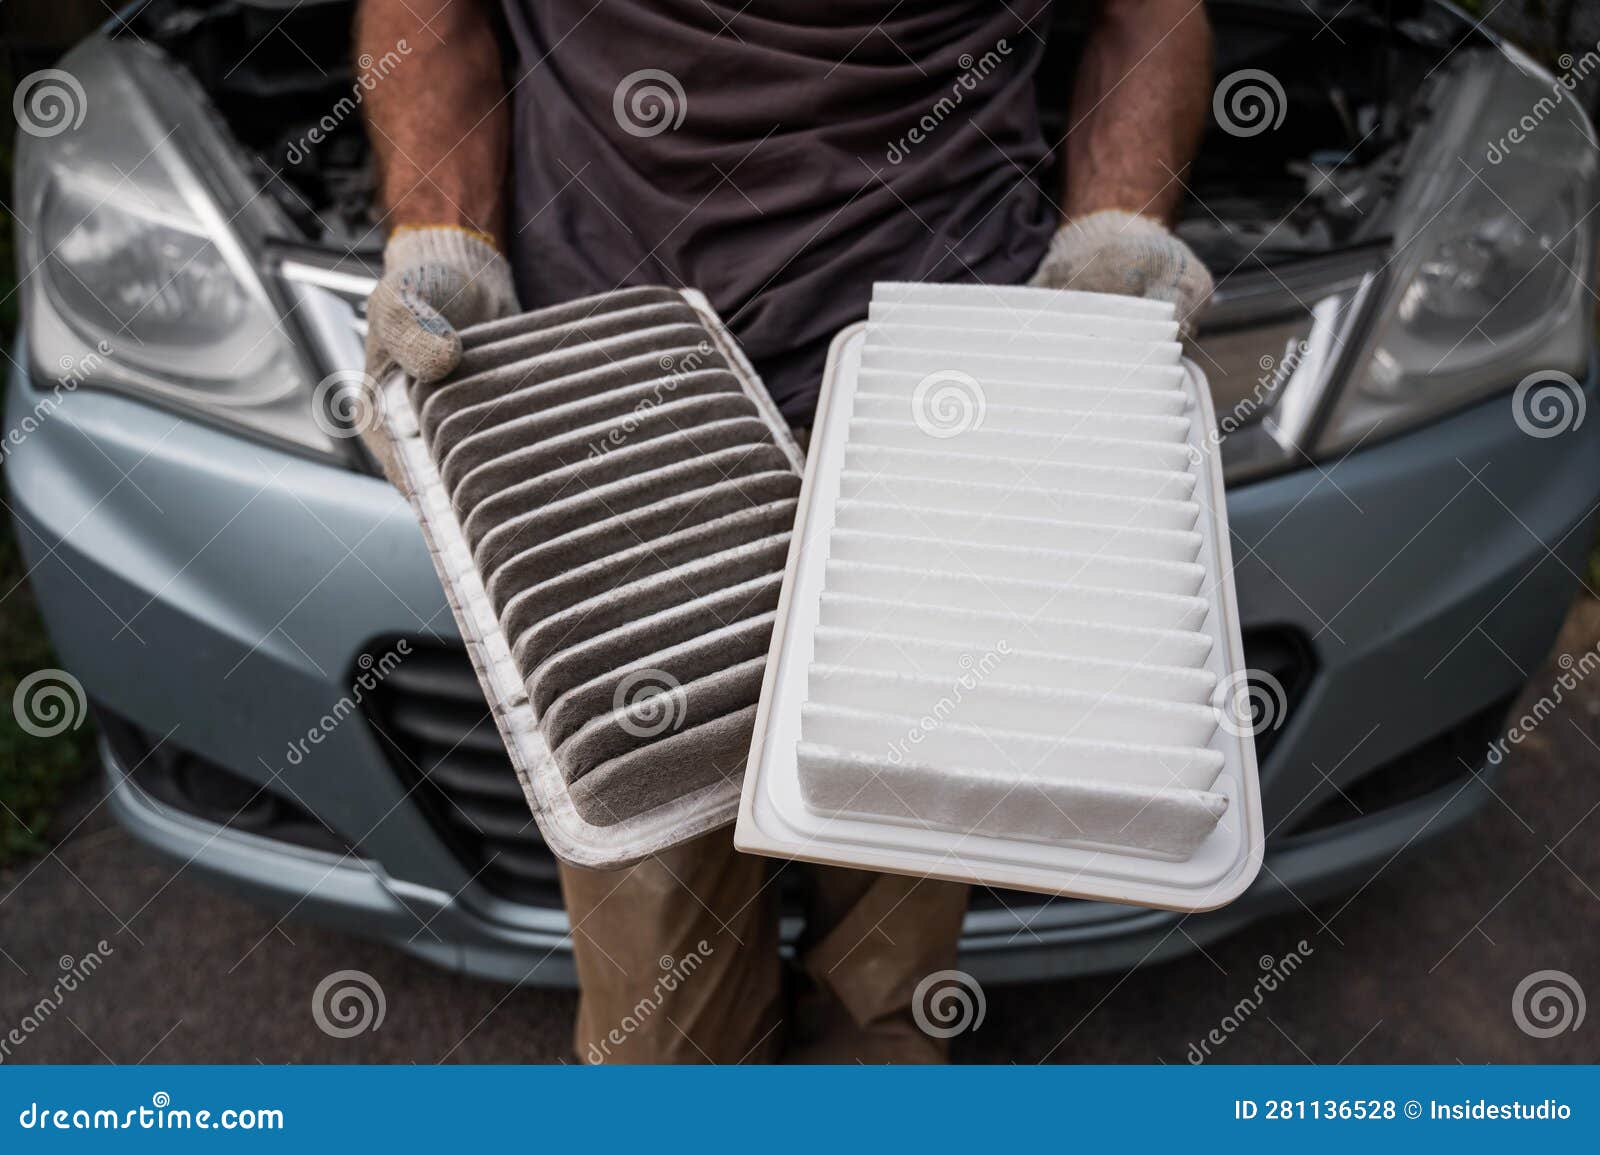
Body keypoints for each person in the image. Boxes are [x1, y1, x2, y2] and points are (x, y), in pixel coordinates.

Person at [358, 0, 1214, 1063]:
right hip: (621, 394)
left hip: (945, 390)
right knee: (664, 1014)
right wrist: (443, 238)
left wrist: (1118, 232)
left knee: (895, 927)